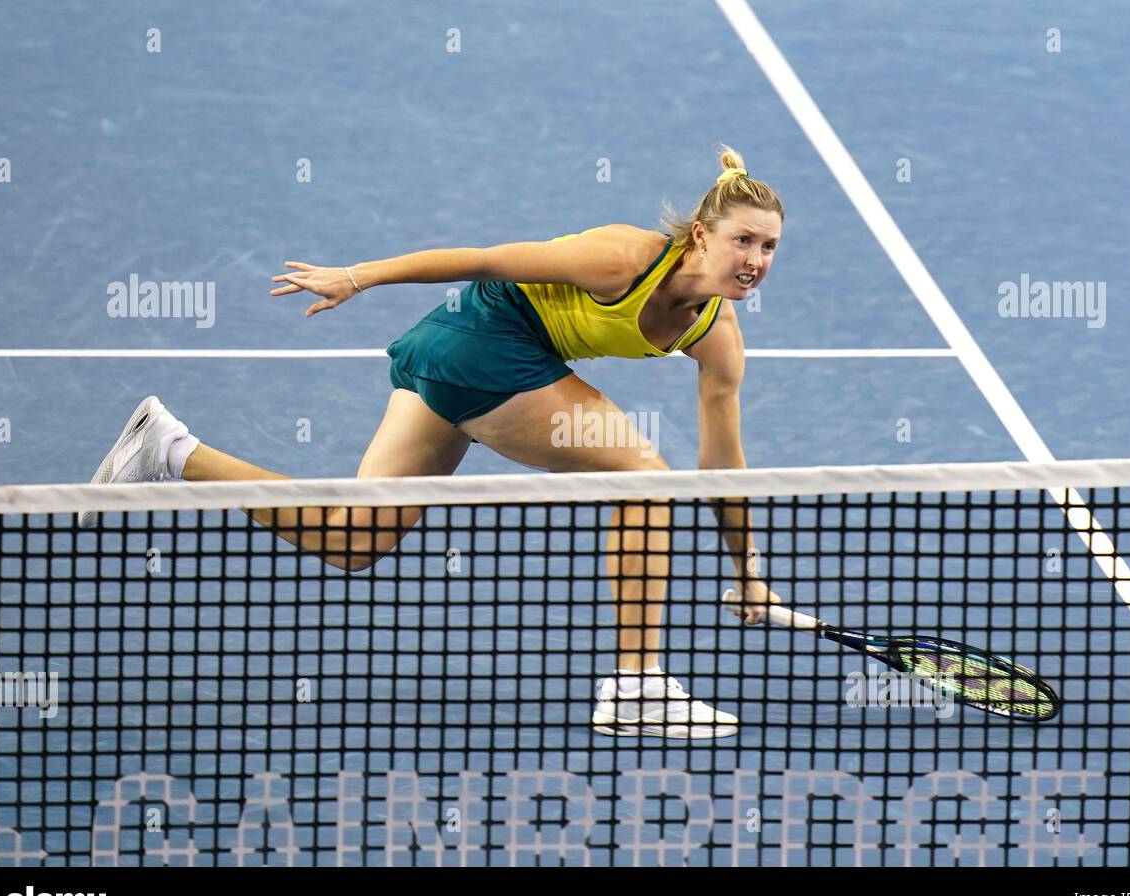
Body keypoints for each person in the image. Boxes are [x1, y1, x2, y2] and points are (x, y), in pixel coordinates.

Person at [79, 145, 784, 739]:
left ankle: (168, 449)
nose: (754, 258)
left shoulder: (717, 339)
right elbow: (481, 258)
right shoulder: (621, 258)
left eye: (769, 246)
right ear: (700, 235)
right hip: (485, 343)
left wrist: (746, 568)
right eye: (742, 240)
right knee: (643, 476)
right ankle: (637, 686)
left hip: (457, 357)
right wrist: (359, 276)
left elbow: (722, 466)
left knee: (354, 538)